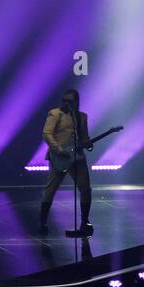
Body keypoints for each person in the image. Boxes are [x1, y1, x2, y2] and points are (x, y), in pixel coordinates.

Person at [39, 88, 92, 235]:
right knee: (50, 190)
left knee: (85, 189)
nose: (66, 103)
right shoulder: (55, 114)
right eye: (64, 100)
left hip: (77, 157)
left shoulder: (82, 117)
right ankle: (42, 223)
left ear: (76, 102)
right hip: (60, 157)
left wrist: (87, 143)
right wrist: (58, 148)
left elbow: (84, 137)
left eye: (69, 101)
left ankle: (85, 222)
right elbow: (47, 133)